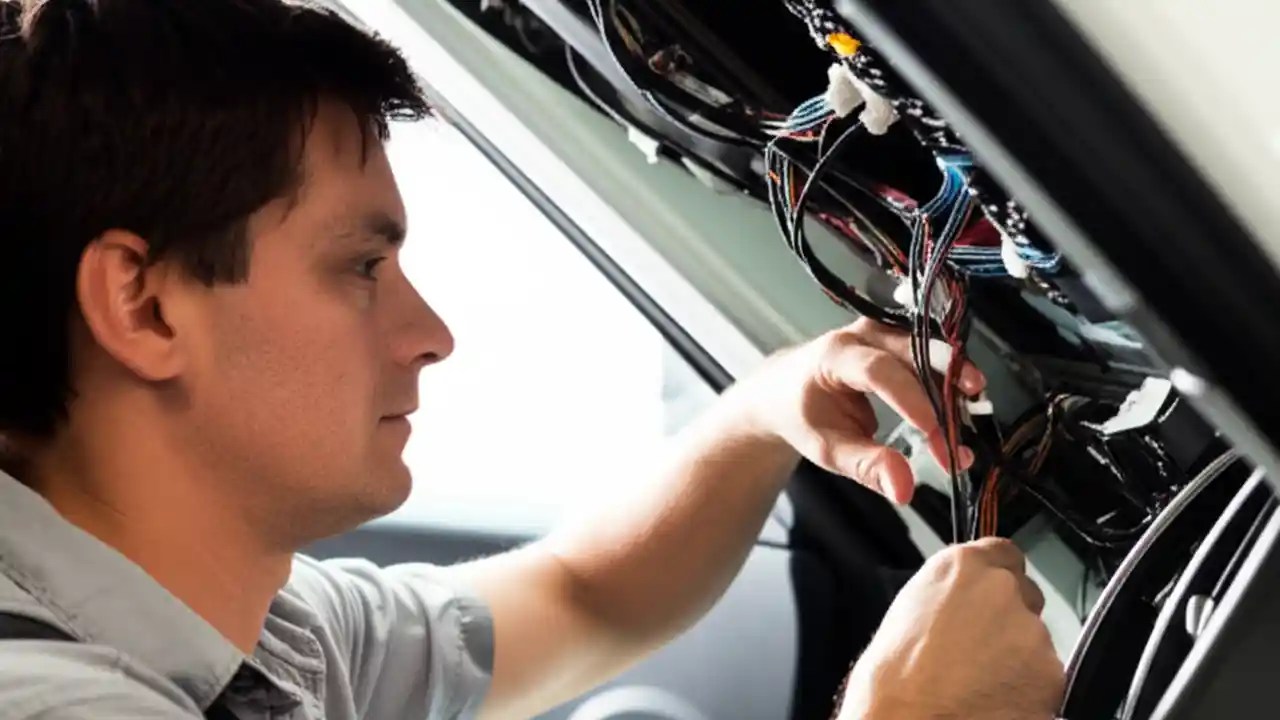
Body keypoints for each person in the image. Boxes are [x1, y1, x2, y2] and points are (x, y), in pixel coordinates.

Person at [0, 1, 1064, 718]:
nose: (430, 335)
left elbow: (583, 599)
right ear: (144, 307)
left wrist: (759, 412)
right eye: (359, 267)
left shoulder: (260, 631)